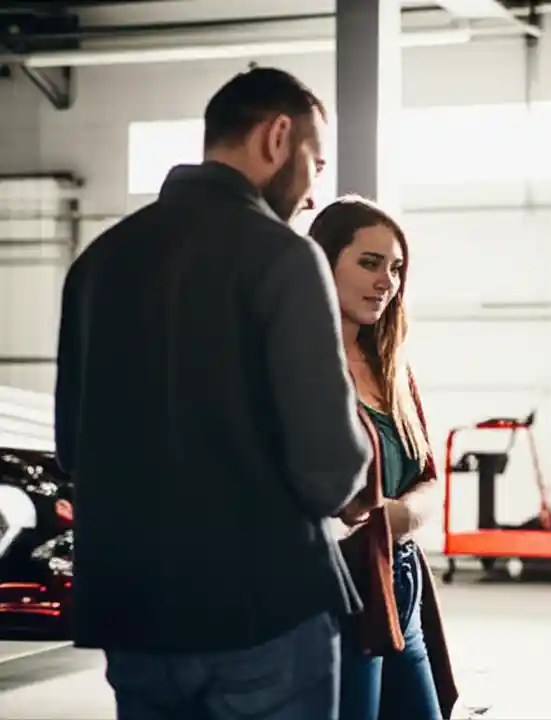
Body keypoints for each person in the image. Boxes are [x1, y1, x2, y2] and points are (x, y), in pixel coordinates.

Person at [53, 67, 370, 720]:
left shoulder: (99, 262)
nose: (313, 191)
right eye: (316, 162)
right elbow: (328, 471)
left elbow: (72, 450)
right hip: (262, 614)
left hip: (135, 619)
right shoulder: (282, 257)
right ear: (278, 138)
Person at [306, 196, 459, 720]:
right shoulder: (301, 365)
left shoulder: (390, 366)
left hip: (402, 577)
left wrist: (400, 515)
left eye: (396, 269)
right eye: (369, 263)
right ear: (322, 262)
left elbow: (430, 478)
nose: (386, 282)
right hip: (342, 586)